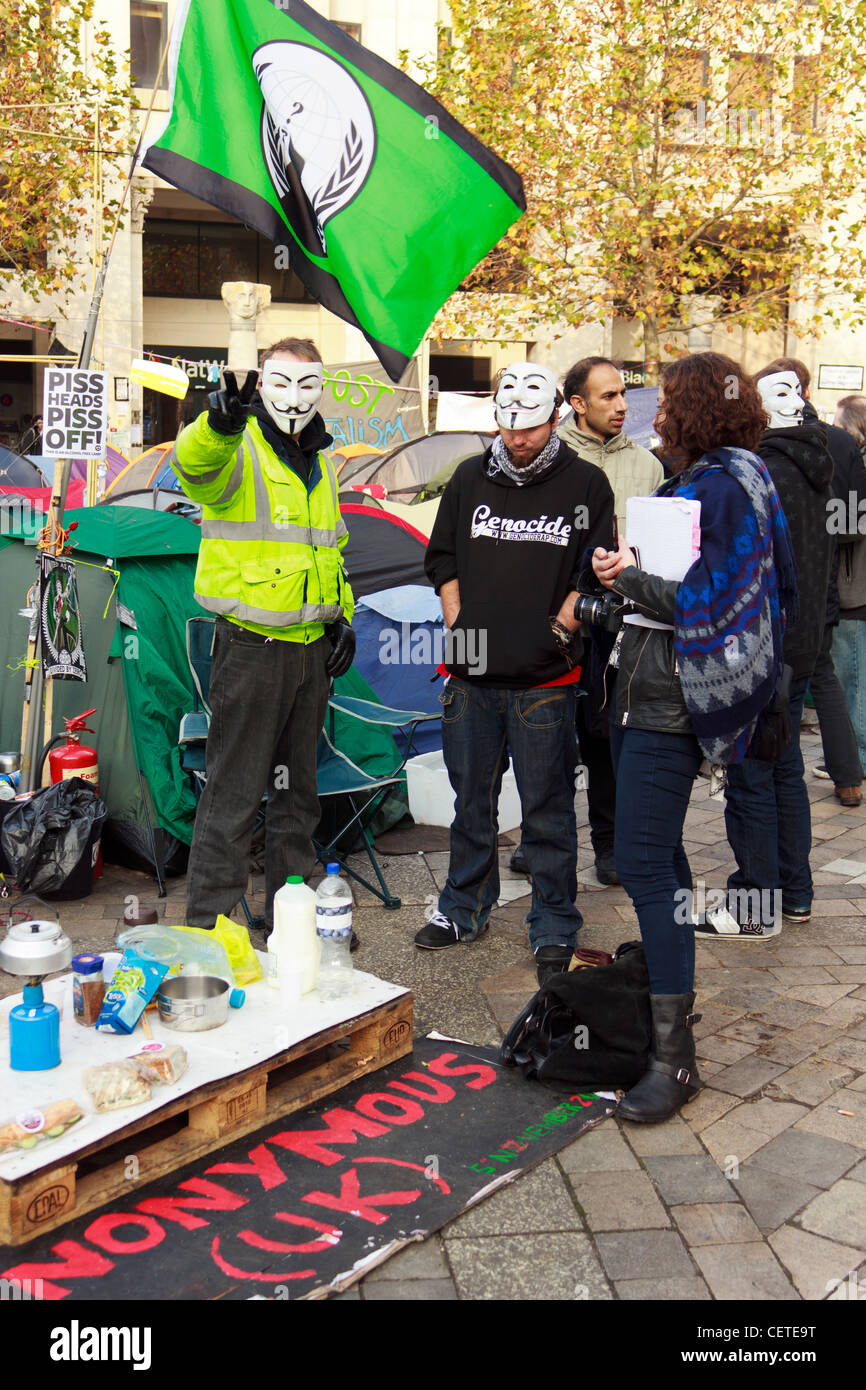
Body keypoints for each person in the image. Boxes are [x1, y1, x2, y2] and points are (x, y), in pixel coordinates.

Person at [586, 352, 796, 1121]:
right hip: (647, 691)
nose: (658, 413)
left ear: (702, 406)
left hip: (671, 703)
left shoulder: (726, 482)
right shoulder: (708, 475)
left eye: (671, 400)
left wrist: (625, 581)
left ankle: (675, 1061)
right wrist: (620, 585)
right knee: (660, 855)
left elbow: (719, 597)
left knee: (643, 862)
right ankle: (663, 1017)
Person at [421, 362, 615, 984]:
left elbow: (594, 571)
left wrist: (563, 627)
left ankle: (554, 921)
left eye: (529, 428)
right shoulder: (470, 477)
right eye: (507, 428)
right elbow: (443, 556)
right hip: (471, 676)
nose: (517, 440)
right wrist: (456, 621)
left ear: (556, 416)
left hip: (546, 682)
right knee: (470, 803)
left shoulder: (587, 483)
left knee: (548, 808)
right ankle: (462, 909)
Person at [170, 337, 356, 932]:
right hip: (252, 647)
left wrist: (342, 614)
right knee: (233, 797)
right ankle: (211, 937)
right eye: (280, 382)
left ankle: (291, 924)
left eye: (307, 384)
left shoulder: (323, 459)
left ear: (323, 387)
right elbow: (193, 466)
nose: (294, 397)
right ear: (263, 384)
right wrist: (218, 422)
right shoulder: (238, 446)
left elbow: (331, 548)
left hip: (310, 651)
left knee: (298, 798)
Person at [702, 365, 833, 938]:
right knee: (784, 768)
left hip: (766, 638)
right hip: (804, 636)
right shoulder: (828, 453)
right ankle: (794, 893)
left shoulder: (757, 470)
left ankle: (756, 904)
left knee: (754, 769)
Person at [551, 357, 664, 885]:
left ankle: (610, 846)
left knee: (605, 737)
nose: (622, 406)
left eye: (623, 394)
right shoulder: (550, 456)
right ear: (577, 404)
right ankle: (544, 839)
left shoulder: (648, 465)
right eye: (608, 397)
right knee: (548, 736)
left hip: (621, 620)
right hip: (555, 618)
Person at [760, 361, 864, 808]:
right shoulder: (832, 440)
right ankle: (847, 777)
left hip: (822, 577)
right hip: (822, 577)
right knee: (823, 674)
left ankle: (824, 773)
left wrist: (823, 542)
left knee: (820, 674)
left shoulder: (824, 442)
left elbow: (855, 515)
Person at [830, 394, 866, 784]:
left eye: (839, 426)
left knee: (852, 678)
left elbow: (851, 529)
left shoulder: (858, 470)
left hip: (854, 589)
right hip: (853, 587)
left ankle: (856, 760)